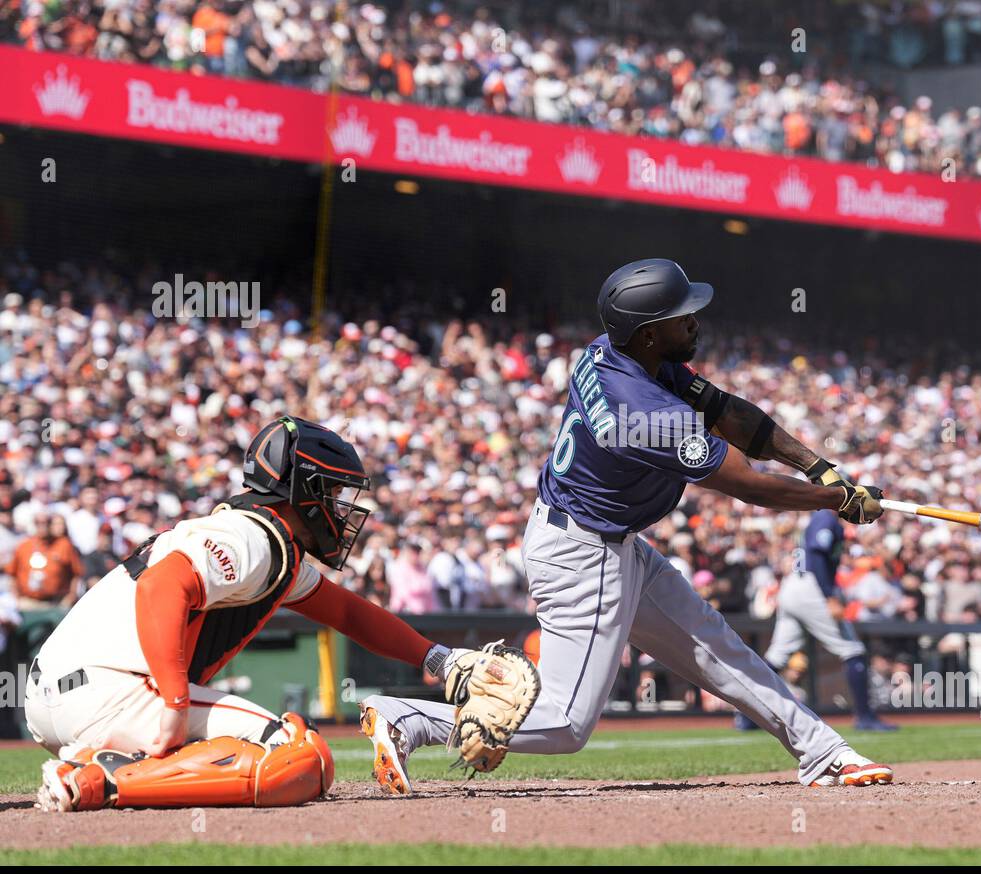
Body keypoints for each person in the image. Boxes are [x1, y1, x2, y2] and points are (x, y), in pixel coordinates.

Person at [361, 259, 894, 789]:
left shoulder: (619, 353)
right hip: (583, 556)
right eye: (681, 315)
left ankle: (822, 751)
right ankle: (409, 718)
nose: (694, 321)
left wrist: (817, 467)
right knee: (567, 723)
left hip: (606, 542)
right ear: (646, 333)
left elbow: (727, 411)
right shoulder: (642, 411)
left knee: (716, 647)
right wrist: (833, 500)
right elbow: (748, 486)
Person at [25, 417, 482, 812]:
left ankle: (106, 765)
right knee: (303, 758)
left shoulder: (260, 536)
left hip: (63, 696)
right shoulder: (255, 539)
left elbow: (346, 611)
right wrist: (175, 702)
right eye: (336, 492)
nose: (342, 509)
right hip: (110, 692)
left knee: (271, 755)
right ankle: (97, 781)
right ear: (307, 488)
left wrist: (439, 660)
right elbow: (161, 585)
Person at [741, 511, 898, 731]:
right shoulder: (825, 516)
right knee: (852, 650)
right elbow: (816, 554)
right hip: (811, 587)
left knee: (777, 656)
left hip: (794, 586)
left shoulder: (819, 517)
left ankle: (747, 716)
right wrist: (829, 595)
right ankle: (865, 716)